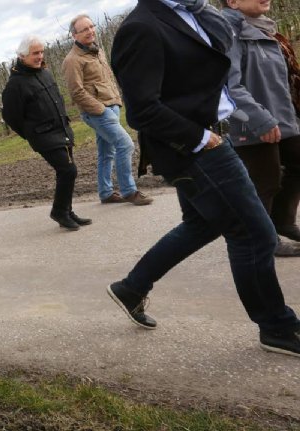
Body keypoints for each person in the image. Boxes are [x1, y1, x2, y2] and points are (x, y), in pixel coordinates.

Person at [109, 0, 300, 357]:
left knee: (202, 224)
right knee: (254, 233)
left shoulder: (192, 13)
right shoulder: (141, 28)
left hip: (210, 137)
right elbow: (142, 109)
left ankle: (131, 288)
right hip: (193, 147)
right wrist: (202, 138)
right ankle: (278, 327)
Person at [221, 0, 300, 257]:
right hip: (251, 123)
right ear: (233, 2)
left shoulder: (264, 29)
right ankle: (264, 239)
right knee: (264, 182)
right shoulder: (229, 32)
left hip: (282, 117)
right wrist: (258, 119)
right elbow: (229, 87)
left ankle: (282, 221)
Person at [61, 14, 154, 206]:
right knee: (125, 144)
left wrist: (116, 101)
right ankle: (129, 191)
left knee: (106, 152)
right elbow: (76, 92)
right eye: (84, 29)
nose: (90, 31)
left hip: (112, 106)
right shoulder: (72, 60)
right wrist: (101, 110)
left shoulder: (97, 51)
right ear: (74, 35)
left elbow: (107, 78)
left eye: (91, 26)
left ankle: (105, 192)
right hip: (97, 111)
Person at [1, 35, 92, 231]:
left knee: (67, 172)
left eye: (41, 52)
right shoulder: (15, 84)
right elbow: (10, 116)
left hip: (62, 130)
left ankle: (66, 211)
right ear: (22, 56)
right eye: (35, 53)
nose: (40, 56)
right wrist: (30, 133)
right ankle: (59, 212)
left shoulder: (44, 73)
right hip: (43, 136)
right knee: (68, 170)